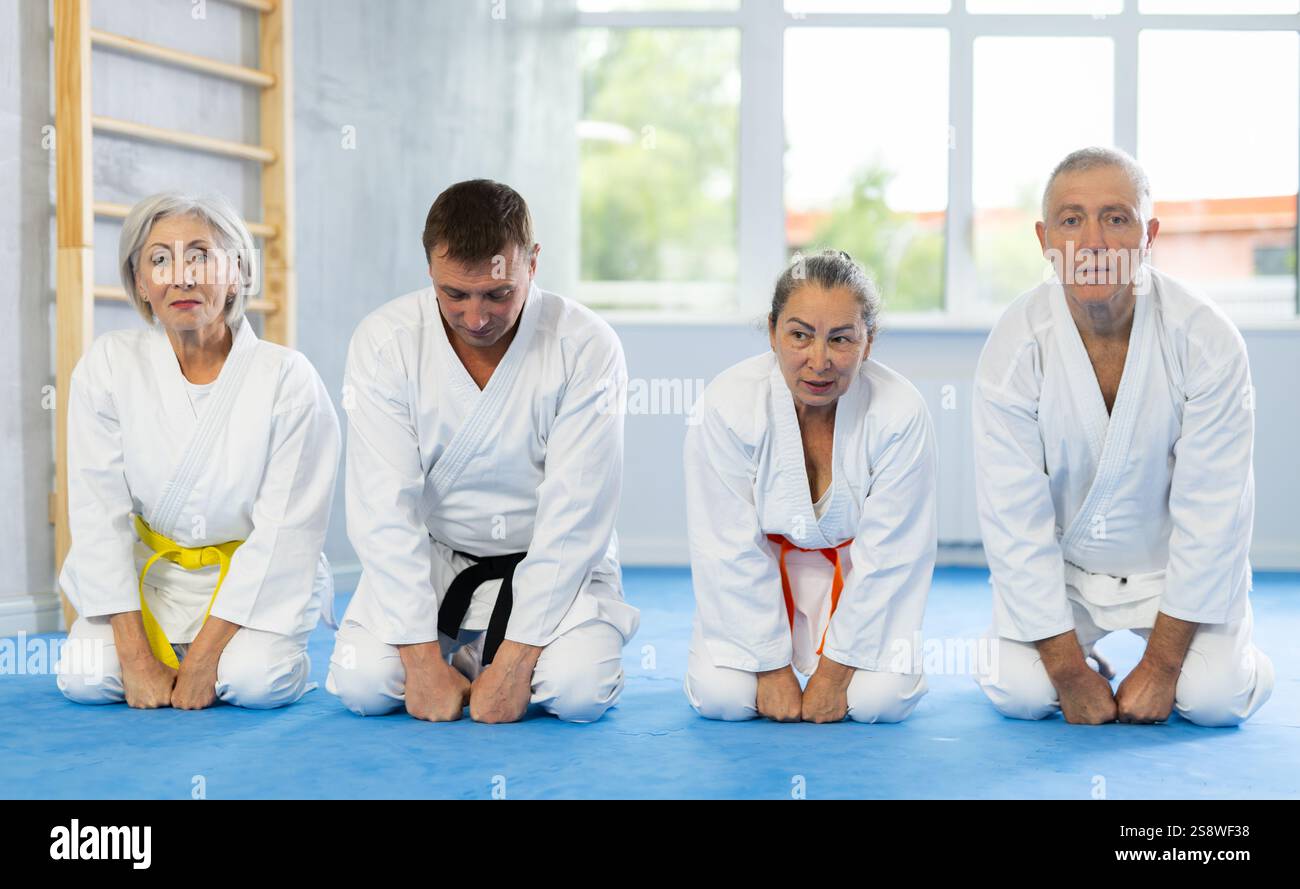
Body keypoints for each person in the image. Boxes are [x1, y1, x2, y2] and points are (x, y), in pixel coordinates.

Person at [973, 146, 1274, 726]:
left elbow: (1215, 512)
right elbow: (1012, 517)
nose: (1093, 243)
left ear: (1149, 234)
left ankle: (1246, 661)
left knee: (1213, 701)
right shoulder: (1015, 345)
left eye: (1116, 218)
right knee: (1021, 694)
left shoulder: (1205, 338)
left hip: (1173, 573)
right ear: (1044, 238)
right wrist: (1067, 673)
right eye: (1071, 220)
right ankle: (1086, 658)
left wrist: (1162, 667)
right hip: (1065, 573)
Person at [327, 179, 639, 724]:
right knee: (365, 684)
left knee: (578, 692)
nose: (476, 317)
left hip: (553, 560)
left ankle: (488, 659)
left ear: (533, 264)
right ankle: (460, 659)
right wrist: (421, 663)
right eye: (455, 294)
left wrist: (516, 664)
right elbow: (384, 509)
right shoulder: (385, 342)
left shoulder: (585, 345)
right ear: (429, 268)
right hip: (438, 561)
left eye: (498, 293)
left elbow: (576, 514)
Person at [56, 192, 341, 710]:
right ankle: (160, 652)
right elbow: (98, 513)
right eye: (160, 259)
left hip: (248, 581)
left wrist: (204, 660)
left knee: (255, 683)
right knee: (85, 678)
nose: (181, 277)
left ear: (237, 272)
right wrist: (138, 661)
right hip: (155, 580)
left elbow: (286, 528)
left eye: (201, 256)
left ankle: (247, 653)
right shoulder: (108, 365)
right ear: (141, 282)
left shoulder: (286, 377)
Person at [682, 249, 937, 724]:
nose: (819, 361)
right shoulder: (727, 403)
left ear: (869, 342)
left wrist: (834, 675)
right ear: (774, 333)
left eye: (841, 339)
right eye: (800, 335)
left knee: (874, 703)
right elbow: (726, 544)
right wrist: (770, 668)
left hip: (860, 577)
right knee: (725, 699)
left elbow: (893, 554)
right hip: (760, 576)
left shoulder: (899, 412)